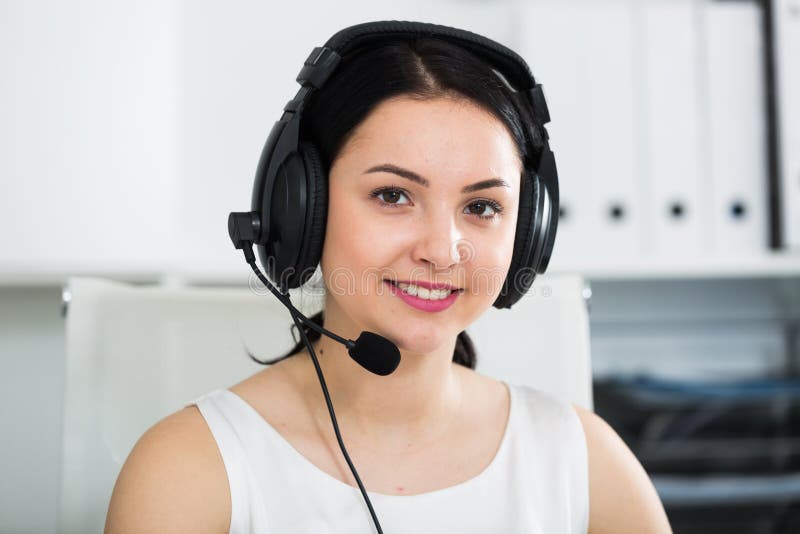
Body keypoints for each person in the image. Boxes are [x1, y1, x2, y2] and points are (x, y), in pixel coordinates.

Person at [105, 22, 672, 533]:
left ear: (528, 233)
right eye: (393, 195)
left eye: (481, 207)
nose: (441, 251)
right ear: (301, 211)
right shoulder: (190, 471)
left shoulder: (584, 462)